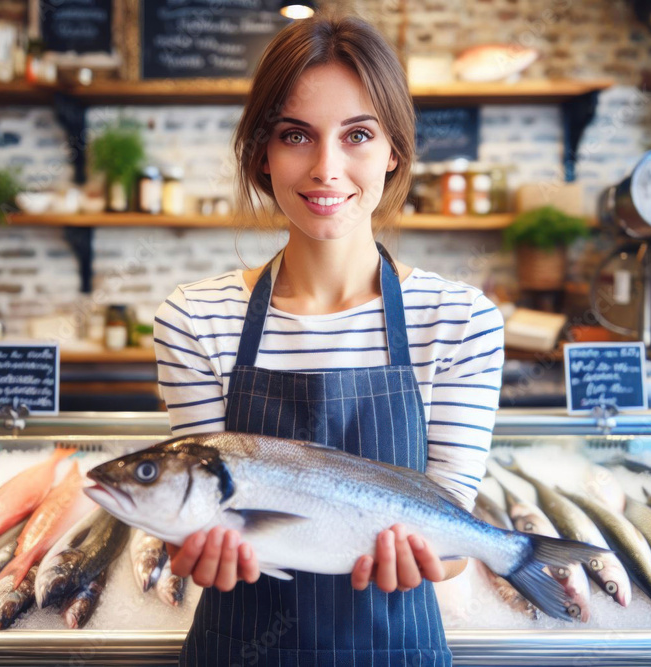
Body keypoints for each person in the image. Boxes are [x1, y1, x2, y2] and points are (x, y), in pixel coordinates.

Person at [153, 10, 503, 666]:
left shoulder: (461, 321)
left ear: (394, 148)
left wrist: (434, 557)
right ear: (262, 151)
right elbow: (193, 521)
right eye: (295, 135)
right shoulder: (195, 318)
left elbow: (454, 540)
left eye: (358, 135)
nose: (326, 168)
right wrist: (198, 554)